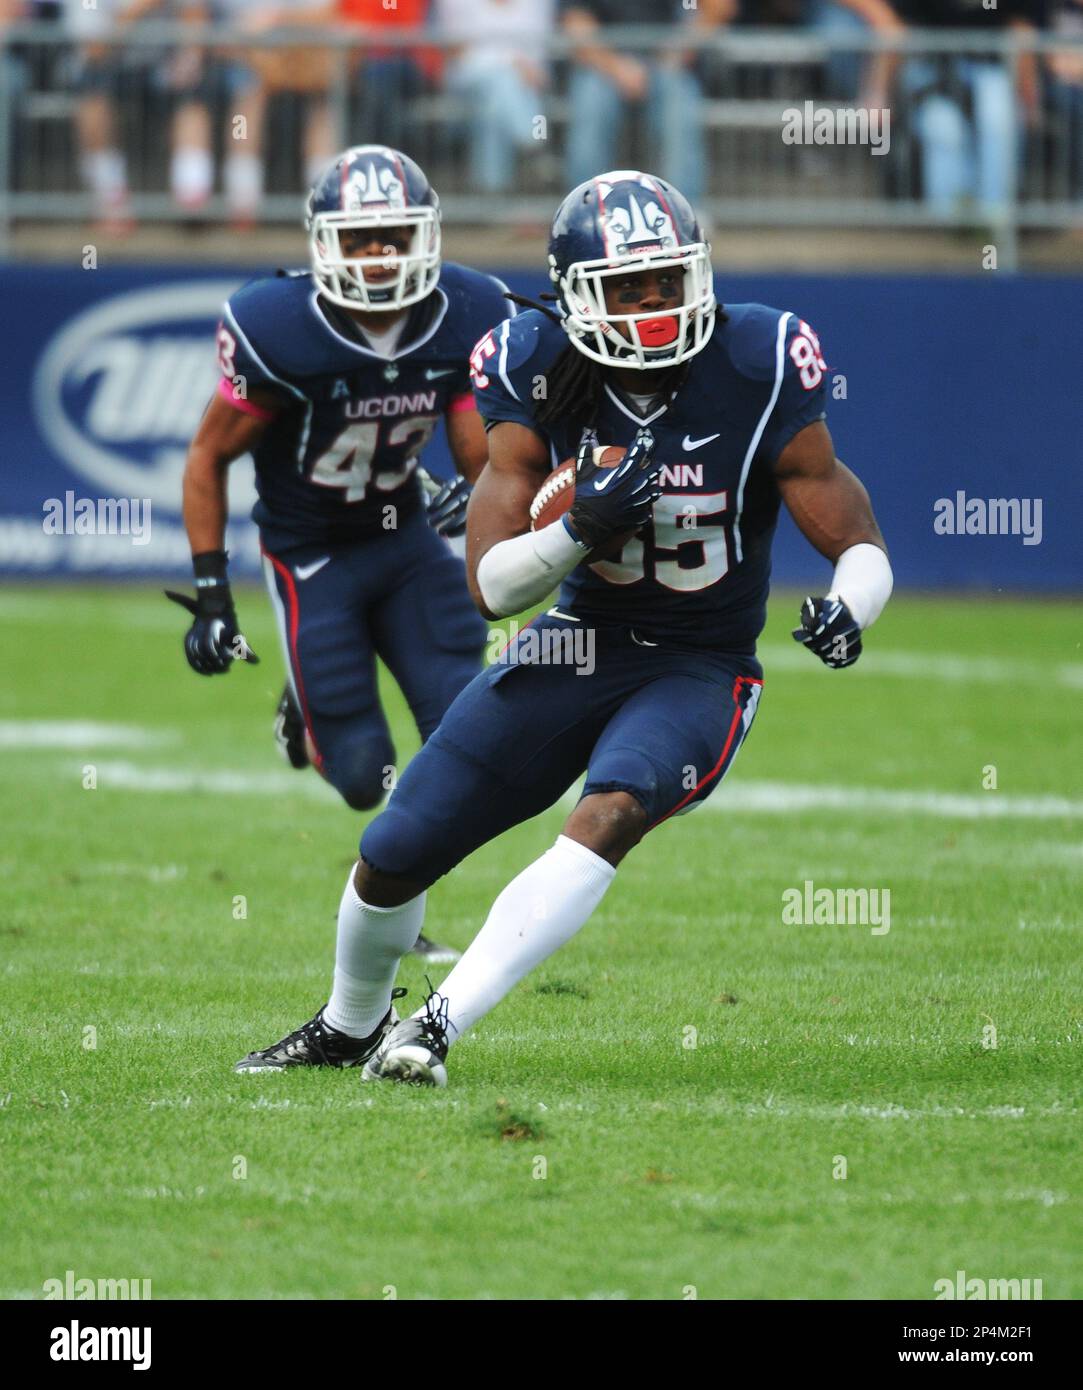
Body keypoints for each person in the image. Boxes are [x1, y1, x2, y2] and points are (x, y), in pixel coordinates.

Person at [238, 169, 894, 1083]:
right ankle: (348, 1025)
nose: (655, 304)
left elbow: (853, 535)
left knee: (610, 808)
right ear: (576, 291)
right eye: (629, 286)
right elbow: (491, 587)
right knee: (396, 848)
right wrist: (579, 527)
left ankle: (434, 1026)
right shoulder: (533, 364)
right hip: (575, 638)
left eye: (668, 279)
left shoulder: (757, 360)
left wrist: (848, 607)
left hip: (698, 663)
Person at [171, 145, 513, 980]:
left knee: (463, 737)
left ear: (423, 237)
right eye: (359, 240)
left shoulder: (463, 308)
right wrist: (215, 593)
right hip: (312, 555)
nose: (378, 256)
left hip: (404, 548)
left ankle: (398, 907)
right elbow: (206, 459)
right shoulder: (281, 326)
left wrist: (481, 497)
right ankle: (305, 709)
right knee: (363, 778)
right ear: (323, 244)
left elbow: (486, 456)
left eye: (393, 236)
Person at [560, 0, 736, 205]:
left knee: (678, 101)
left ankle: (682, 212)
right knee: (591, 100)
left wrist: (675, 53)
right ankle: (585, 210)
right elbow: (576, 22)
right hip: (603, 66)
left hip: (667, 64)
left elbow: (719, 7)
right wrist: (616, 68)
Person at [435, 0, 556, 194]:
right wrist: (510, 62)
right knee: (502, 81)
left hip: (521, 84)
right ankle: (532, 143)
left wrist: (517, 67)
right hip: (468, 79)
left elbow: (538, 54)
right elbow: (457, 50)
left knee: (493, 106)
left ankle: (491, 194)